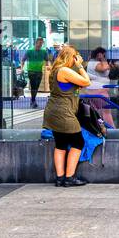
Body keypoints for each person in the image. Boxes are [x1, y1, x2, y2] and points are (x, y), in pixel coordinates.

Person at [43, 44, 93, 187]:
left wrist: (76, 66)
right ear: (71, 57)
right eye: (75, 56)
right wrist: (81, 66)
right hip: (64, 113)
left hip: (54, 111)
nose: (77, 59)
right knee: (78, 142)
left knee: (61, 143)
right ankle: (69, 178)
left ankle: (60, 178)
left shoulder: (56, 69)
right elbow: (86, 81)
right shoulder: (64, 70)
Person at [24, 38, 48, 109]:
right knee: (33, 86)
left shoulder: (44, 51)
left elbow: (47, 60)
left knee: (37, 87)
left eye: (42, 43)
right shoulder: (30, 51)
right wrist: (22, 68)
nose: (41, 45)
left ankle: (32, 100)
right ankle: (33, 100)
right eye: (39, 43)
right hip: (31, 71)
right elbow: (23, 59)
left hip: (39, 71)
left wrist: (46, 67)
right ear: (36, 43)